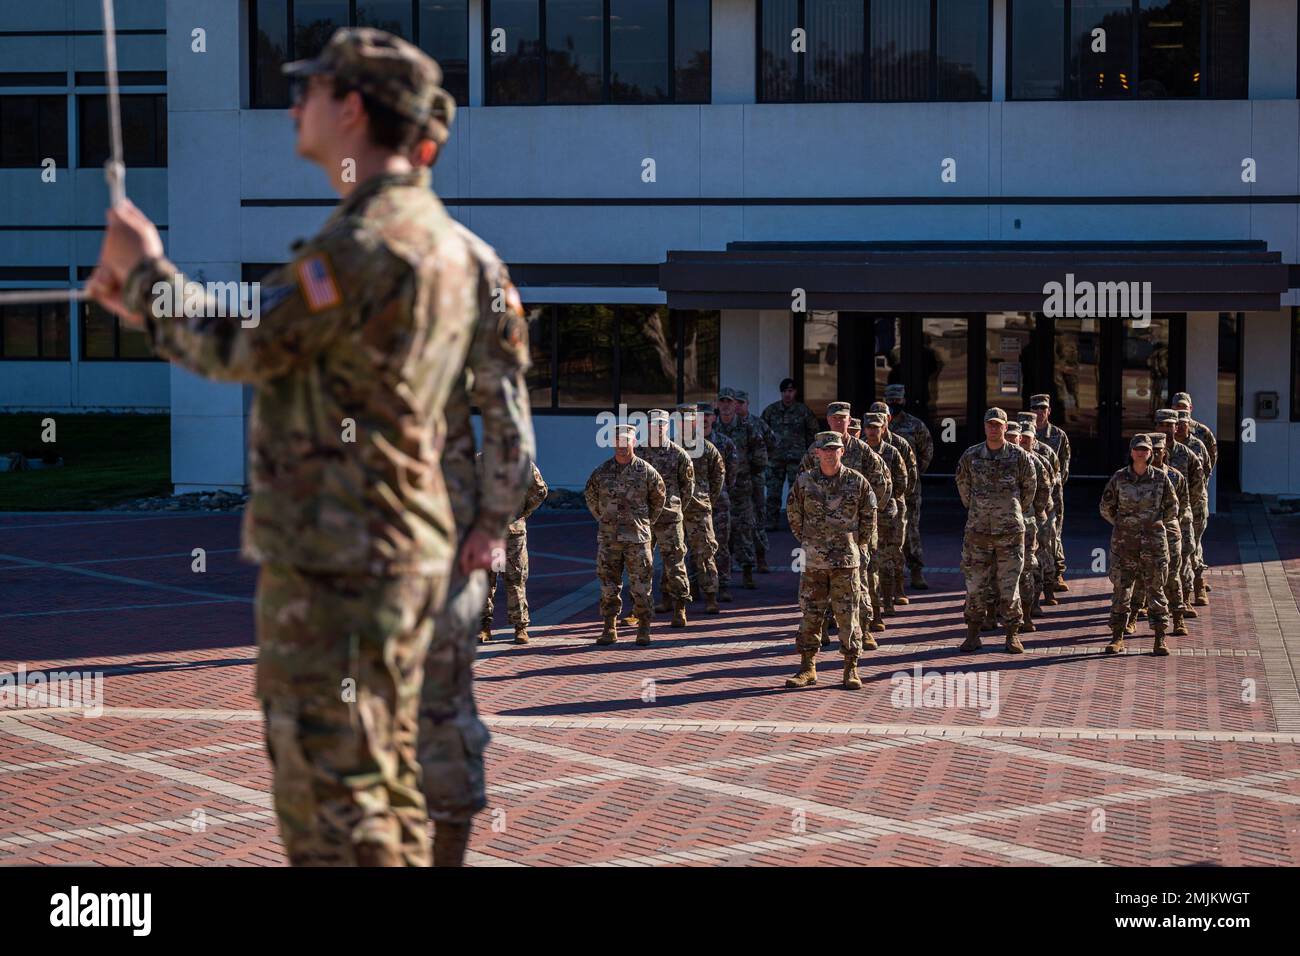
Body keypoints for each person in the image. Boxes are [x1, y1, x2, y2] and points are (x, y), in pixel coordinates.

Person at [86, 27, 532, 867]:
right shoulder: (443, 243)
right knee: (381, 786)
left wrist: (146, 273)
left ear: (353, 107)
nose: (296, 104)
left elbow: (242, 345)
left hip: (345, 563)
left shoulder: (364, 247)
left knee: (335, 804)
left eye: (310, 89)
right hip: (398, 548)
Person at [784, 432, 877, 690]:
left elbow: (869, 517)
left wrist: (857, 544)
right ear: (817, 453)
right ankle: (807, 668)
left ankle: (850, 669)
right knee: (810, 615)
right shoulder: (804, 482)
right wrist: (808, 540)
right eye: (824, 449)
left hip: (846, 563)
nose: (829, 453)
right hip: (813, 561)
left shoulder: (857, 482)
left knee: (848, 617)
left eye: (834, 449)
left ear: (841, 451)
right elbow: (793, 513)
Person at [800, 402, 893, 642]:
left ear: (850, 420)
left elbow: (881, 485)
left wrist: (865, 520)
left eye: (843, 419)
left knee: (861, 581)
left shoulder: (862, 450)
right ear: (828, 420)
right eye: (834, 418)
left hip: (854, 534)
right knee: (820, 582)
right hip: (820, 535)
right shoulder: (815, 451)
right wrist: (807, 530)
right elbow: (800, 491)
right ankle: (823, 629)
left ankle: (865, 629)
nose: (839, 422)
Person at [954, 408, 1037, 655]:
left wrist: (1011, 510)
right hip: (978, 532)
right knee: (975, 585)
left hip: (1009, 532)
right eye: (990, 424)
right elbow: (963, 485)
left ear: (1004, 427)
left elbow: (1029, 487)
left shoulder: (1019, 456)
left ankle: (1012, 634)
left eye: (998, 424)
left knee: (1009, 586)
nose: (994, 428)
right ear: (985, 426)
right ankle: (973, 634)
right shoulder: (971, 456)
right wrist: (979, 509)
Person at [585, 425, 665, 646]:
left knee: (641, 585)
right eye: (618, 442)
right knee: (608, 584)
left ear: (633, 442)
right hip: (609, 539)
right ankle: (609, 627)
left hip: (637, 540)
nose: (622, 446)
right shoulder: (602, 471)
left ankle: (644, 628)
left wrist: (646, 522)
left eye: (626, 441)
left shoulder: (646, 471)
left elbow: (659, 499)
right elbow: (590, 495)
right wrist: (602, 517)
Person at [1099, 434, 1179, 656]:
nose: (1141, 453)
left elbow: (1172, 508)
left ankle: (1160, 638)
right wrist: (1124, 524)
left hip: (1153, 545)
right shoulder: (1119, 478)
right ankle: (1117, 638)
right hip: (1125, 545)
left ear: (1151, 453)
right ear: (1131, 452)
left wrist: (1153, 522)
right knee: (1121, 592)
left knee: (1156, 591)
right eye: (1138, 449)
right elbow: (1106, 507)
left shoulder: (1161, 478)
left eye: (1145, 449)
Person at [480, 460, 548, 644]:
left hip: (512, 535)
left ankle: (520, 627)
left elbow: (540, 490)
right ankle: (484, 627)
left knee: (515, 580)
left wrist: (521, 512)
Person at [638, 409, 695, 626]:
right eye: (654, 423)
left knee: (675, 563)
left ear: (667, 426)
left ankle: (679, 608)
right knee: (641, 565)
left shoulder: (679, 454)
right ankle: (642, 608)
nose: (658, 427)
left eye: (662, 424)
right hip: (644, 518)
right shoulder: (639, 452)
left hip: (670, 517)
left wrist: (676, 507)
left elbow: (687, 488)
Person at [1129, 431, 1189, 638]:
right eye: (1151, 451)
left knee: (1172, 576)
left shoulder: (1174, 477)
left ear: (1165, 452)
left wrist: (1160, 523)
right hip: (1140, 535)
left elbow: (1180, 506)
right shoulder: (1132, 476)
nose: (1155, 454)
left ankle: (1178, 619)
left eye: (1159, 451)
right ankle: (1133, 616)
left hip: (1168, 534)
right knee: (1138, 576)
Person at [716, 387, 768, 590]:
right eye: (723, 402)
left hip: (743, 486)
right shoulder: (713, 428)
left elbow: (761, 453)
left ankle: (747, 571)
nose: (727, 406)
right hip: (719, 488)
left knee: (744, 528)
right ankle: (722, 576)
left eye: (730, 402)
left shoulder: (747, 427)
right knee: (721, 531)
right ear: (718, 405)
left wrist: (753, 476)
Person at [1155, 408, 1206, 619]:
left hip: (1180, 518)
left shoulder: (1187, 454)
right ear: (1156, 426)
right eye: (1163, 425)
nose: (1167, 429)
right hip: (1152, 518)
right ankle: (1147, 603)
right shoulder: (1146, 451)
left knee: (1184, 557)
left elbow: (1198, 484)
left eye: (1171, 425)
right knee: (1150, 561)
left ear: (1177, 426)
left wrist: (1185, 511)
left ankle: (1184, 599)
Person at [884, 384, 934, 590]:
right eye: (891, 400)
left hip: (909, 490)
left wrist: (911, 475)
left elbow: (926, 451)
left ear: (903, 401)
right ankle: (887, 576)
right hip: (881, 490)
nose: (894, 404)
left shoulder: (915, 425)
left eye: (898, 400)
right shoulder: (875, 424)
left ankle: (916, 571)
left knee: (910, 529)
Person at [677, 403, 724, 614]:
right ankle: (675, 597)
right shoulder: (670, 447)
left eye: (690, 419)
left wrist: (706, 499)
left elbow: (718, 477)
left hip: (699, 509)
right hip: (675, 509)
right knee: (674, 555)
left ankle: (711, 596)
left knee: (705, 552)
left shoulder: (707, 448)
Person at [870, 400, 918, 606]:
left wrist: (893, 497)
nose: (875, 428)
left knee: (895, 548)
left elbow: (909, 475)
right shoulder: (864, 445)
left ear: (887, 420)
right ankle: (877, 591)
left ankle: (898, 588)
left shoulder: (899, 445)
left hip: (895, 506)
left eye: (880, 421)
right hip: (870, 507)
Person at [862, 412, 908, 617]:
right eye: (869, 427)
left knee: (887, 558)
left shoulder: (891, 452)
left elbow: (902, 481)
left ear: (883, 428)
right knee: (868, 560)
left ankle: (888, 601)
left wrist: (886, 502)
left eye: (876, 427)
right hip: (864, 514)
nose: (872, 431)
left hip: (886, 514)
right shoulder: (858, 450)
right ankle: (871, 605)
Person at [1009, 422, 1053, 633]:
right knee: (993, 568)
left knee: (1027, 567)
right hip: (996, 524)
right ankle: (993, 614)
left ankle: (1028, 612)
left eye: (1014, 436)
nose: (1012, 440)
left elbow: (1044, 492)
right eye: (1007, 436)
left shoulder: (1034, 462)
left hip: (1026, 522)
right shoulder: (987, 458)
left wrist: (1028, 511)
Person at [761, 378, 820, 532]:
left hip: (797, 458)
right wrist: (766, 453)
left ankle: (796, 523)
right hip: (775, 459)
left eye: (791, 391)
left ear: (795, 392)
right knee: (773, 492)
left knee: (797, 492)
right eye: (785, 391)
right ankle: (771, 522)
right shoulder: (770, 411)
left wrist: (810, 455)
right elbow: (761, 433)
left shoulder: (803, 411)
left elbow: (813, 433)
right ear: (781, 393)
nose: (788, 394)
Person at [1030, 394, 1071, 592]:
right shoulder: (1023, 433)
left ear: (1049, 410)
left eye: (1042, 408)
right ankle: (1035, 579)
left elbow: (1063, 465)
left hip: (1052, 494)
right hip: (1029, 494)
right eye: (1035, 407)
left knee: (1054, 534)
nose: (1039, 411)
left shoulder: (1058, 435)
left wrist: (1053, 486)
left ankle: (1056, 573)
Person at [701, 403, 738, 602]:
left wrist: (720, 492)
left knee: (721, 544)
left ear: (713, 418)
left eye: (708, 415)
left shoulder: (725, 443)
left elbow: (731, 474)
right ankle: (695, 585)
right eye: (700, 415)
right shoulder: (684, 444)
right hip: (694, 505)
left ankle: (723, 585)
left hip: (719, 503)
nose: (704, 418)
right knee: (693, 546)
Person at [1175, 408, 1213, 606]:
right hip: (1172, 508)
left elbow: (1207, 468)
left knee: (1193, 545)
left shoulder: (1198, 444)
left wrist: (1194, 499)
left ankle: (1198, 584)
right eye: (1177, 421)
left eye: (1184, 421)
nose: (1180, 425)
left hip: (1194, 504)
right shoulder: (1164, 447)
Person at [737, 390, 777, 573]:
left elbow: (773, 442)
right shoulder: (727, 425)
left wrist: (763, 462)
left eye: (741, 402)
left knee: (758, 517)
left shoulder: (757, 423)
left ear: (747, 404)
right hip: (734, 480)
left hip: (755, 478)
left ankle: (761, 557)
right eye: (734, 402)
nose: (737, 406)